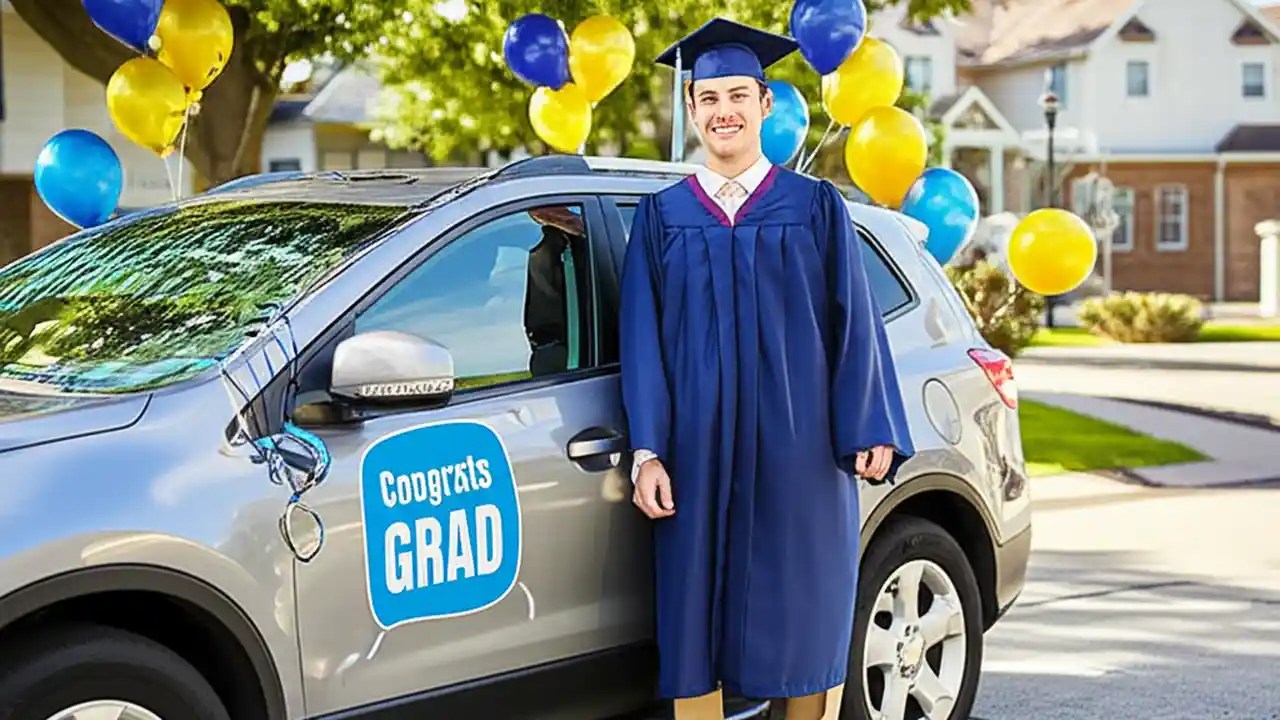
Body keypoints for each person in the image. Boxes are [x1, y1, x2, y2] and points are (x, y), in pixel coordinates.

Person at [618, 17, 916, 720]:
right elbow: (643, 345)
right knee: (697, 616)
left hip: (799, 447)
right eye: (708, 98)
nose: (723, 111)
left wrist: (868, 425)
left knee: (803, 611)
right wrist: (649, 451)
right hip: (695, 450)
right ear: (691, 110)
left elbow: (855, 324)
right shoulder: (661, 219)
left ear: (764, 105)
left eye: (737, 96)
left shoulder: (813, 207)